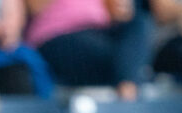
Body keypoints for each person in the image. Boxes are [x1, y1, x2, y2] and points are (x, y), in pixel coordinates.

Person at [24, 0, 153, 100]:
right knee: (123, 59)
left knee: (139, 22)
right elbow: (35, 7)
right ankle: (129, 92)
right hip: (55, 36)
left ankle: (128, 87)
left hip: (99, 31)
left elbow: (119, 13)